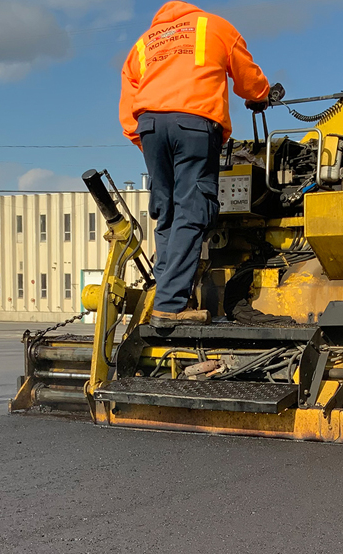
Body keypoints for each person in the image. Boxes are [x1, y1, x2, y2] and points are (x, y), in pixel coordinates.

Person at [119, 1, 270, 328]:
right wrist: (260, 94)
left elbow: (128, 101)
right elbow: (248, 81)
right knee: (193, 208)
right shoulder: (214, 27)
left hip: (150, 127)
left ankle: (167, 294)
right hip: (195, 123)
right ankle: (170, 305)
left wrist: (145, 139)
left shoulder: (144, 42)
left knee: (166, 208)